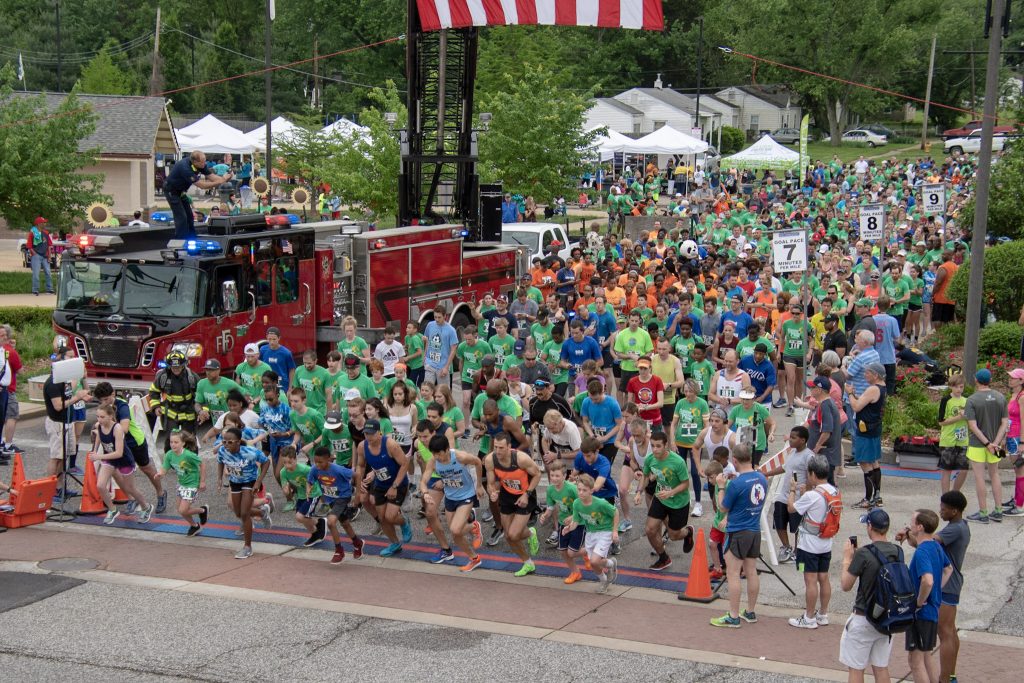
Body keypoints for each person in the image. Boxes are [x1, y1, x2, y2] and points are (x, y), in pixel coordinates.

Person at [897, 491, 970, 683]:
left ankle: (946, 678)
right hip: (949, 586)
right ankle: (949, 675)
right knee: (949, 633)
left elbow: (925, 543)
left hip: (945, 590)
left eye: (944, 509)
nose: (941, 511)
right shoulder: (962, 526)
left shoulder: (952, 530)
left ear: (955, 511)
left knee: (945, 633)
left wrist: (920, 601)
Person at [710, 443, 768, 628]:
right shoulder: (762, 478)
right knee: (751, 571)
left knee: (733, 573)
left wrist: (720, 487)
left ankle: (733, 616)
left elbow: (722, 507)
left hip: (737, 531)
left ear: (734, 460)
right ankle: (750, 611)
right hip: (754, 530)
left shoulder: (735, 484)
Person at [840, 508, 898, 683]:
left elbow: (846, 585)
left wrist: (847, 559)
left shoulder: (865, 553)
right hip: (886, 619)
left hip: (864, 616)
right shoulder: (897, 551)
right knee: (881, 668)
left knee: (856, 669)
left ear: (870, 526)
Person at [787, 455, 839, 629]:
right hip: (826, 542)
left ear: (813, 474)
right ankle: (823, 614)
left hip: (809, 544)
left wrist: (793, 490)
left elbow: (791, 508)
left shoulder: (812, 495)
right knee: (823, 578)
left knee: (809, 580)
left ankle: (808, 618)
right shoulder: (834, 491)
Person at [420, 434, 485, 572]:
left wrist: (479, 485)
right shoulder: (433, 461)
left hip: (466, 495)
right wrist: (425, 493)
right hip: (450, 497)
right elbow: (423, 480)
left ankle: (473, 532)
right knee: (455, 534)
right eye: (434, 454)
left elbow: (478, 462)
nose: (437, 457)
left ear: (447, 449)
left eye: (439, 454)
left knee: (455, 529)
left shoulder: (461, 457)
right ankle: (474, 556)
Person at [902, 508, 953, 683]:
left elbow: (927, 580)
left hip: (921, 613)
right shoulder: (935, 546)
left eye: (912, 522)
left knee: (915, 662)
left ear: (920, 527)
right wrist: (935, 593)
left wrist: (919, 601)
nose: (910, 525)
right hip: (932, 611)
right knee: (926, 656)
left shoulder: (922, 551)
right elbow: (948, 569)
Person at [485, 431, 543, 577]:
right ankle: (527, 563)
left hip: (525, 495)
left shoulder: (521, 459)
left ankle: (530, 533)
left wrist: (526, 494)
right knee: (508, 537)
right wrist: (492, 492)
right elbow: (491, 483)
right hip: (507, 495)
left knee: (513, 534)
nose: (497, 451)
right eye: (496, 447)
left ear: (509, 447)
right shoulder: (490, 460)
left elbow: (537, 474)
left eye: (501, 448)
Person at [354, 419, 412, 556]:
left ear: (379, 433)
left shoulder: (390, 445)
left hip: (398, 483)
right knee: (382, 518)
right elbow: (361, 465)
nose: (368, 437)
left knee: (390, 517)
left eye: (371, 434)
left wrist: (395, 486)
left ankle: (404, 522)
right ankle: (395, 543)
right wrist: (359, 483)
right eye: (366, 434)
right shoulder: (362, 446)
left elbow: (405, 464)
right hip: (380, 483)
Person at [639, 430, 695, 571]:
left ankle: (687, 532)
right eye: (653, 446)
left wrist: (670, 492)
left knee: (674, 535)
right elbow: (645, 476)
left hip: (679, 502)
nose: (655, 449)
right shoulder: (650, 459)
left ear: (666, 446)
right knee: (650, 529)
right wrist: (638, 492)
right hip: (660, 498)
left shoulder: (678, 462)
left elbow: (685, 484)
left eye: (658, 446)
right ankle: (664, 558)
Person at [89, 404, 154, 524]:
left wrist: (98, 456)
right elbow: (99, 436)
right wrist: (95, 448)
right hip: (109, 459)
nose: (99, 419)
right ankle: (112, 509)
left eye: (102, 417)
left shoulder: (117, 429)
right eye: (97, 416)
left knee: (130, 488)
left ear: (110, 416)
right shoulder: (99, 425)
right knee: (100, 485)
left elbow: (118, 453)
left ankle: (146, 507)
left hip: (123, 459)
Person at [216, 427, 271, 559]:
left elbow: (266, 462)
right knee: (238, 512)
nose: (226, 445)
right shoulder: (222, 451)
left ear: (239, 441)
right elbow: (220, 462)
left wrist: (258, 482)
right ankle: (262, 512)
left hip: (249, 482)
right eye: (224, 442)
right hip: (235, 481)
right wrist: (219, 478)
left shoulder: (250, 452)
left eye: (230, 442)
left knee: (245, 513)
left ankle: (247, 547)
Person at [43, 347, 91, 497]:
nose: (72, 360)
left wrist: (82, 392)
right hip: (57, 423)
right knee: (56, 457)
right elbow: (58, 406)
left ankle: (60, 487)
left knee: (64, 457)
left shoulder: (65, 381)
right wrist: (77, 398)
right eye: (69, 357)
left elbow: (75, 393)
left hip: (68, 421)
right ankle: (50, 489)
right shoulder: (52, 383)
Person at [964, 368, 1009, 523]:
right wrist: (995, 442)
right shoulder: (1000, 397)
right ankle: (998, 510)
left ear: (976, 380)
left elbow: (973, 426)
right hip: (995, 445)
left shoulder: (972, 400)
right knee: (995, 474)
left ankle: (983, 513)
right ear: (990, 380)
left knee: (979, 477)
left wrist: (987, 443)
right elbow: (1004, 423)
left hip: (978, 444)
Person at [764, 426, 813, 563]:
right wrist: (765, 473)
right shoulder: (792, 453)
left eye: (793, 438)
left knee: (798, 526)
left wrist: (807, 490)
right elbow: (784, 468)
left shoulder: (809, 456)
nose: (790, 440)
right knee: (778, 520)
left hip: (798, 497)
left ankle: (798, 552)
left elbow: (811, 475)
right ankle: (786, 547)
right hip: (784, 495)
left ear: (802, 440)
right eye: (790, 437)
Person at [563, 473, 619, 592]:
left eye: (584, 490)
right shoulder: (577, 503)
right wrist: (569, 528)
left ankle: (604, 582)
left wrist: (614, 531)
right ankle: (611, 564)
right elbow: (576, 521)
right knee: (595, 562)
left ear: (591, 490)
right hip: (590, 533)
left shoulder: (600, 503)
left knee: (593, 561)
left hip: (605, 532)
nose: (581, 492)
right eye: (579, 489)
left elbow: (615, 513)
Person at [308, 446, 364, 565]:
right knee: (345, 523)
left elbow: (357, 475)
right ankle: (357, 543)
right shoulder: (315, 469)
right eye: (315, 461)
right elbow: (310, 480)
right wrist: (309, 490)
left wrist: (358, 494)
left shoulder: (338, 470)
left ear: (328, 459)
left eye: (320, 462)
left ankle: (339, 551)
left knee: (331, 521)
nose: (317, 464)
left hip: (343, 497)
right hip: (331, 499)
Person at [164, 151, 233, 239]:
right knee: (181, 217)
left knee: (189, 216)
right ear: (195, 162)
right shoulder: (185, 168)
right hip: (171, 191)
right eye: (203, 162)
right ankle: (180, 240)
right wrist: (221, 180)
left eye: (205, 160)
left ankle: (192, 239)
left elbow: (212, 177)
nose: (205, 164)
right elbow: (202, 185)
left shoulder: (200, 165)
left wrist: (226, 178)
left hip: (181, 192)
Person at [847, 362, 887, 509]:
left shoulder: (873, 389)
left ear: (875, 375)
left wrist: (850, 393)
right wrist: (857, 396)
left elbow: (856, 407)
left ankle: (868, 499)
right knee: (874, 462)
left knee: (865, 463)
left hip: (866, 430)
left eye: (867, 373)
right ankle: (877, 496)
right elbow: (868, 403)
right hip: (874, 428)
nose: (865, 375)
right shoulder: (882, 387)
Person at [539, 460, 584, 583]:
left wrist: (573, 516)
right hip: (562, 523)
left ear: (564, 476)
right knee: (563, 551)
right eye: (552, 475)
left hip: (578, 523)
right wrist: (545, 515)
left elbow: (583, 504)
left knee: (571, 552)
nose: (554, 478)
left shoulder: (572, 489)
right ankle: (575, 572)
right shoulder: (550, 490)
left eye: (557, 476)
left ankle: (588, 552)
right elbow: (550, 507)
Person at [161, 430, 207, 536]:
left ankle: (202, 510)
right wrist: (160, 474)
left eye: (176, 442)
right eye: (171, 442)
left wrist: (202, 481)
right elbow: (165, 468)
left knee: (183, 510)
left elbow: (202, 464)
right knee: (180, 510)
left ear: (183, 443)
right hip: (181, 484)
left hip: (191, 484)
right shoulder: (169, 454)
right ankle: (195, 526)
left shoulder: (188, 455)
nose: (173, 444)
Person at [937, 373, 969, 494]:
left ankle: (955, 493)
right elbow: (941, 422)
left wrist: (966, 417)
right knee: (946, 469)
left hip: (963, 439)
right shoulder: (946, 400)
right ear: (951, 386)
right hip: (948, 439)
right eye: (956, 387)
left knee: (964, 469)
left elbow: (970, 419)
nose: (959, 390)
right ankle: (945, 496)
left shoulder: (966, 400)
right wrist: (958, 417)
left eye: (961, 387)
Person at [424, 305, 459, 387]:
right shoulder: (430, 325)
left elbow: (453, 350)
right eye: (435, 317)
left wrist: (446, 367)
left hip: (442, 365)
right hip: (430, 363)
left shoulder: (451, 330)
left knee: (443, 392)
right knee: (427, 389)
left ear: (445, 316)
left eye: (439, 317)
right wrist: (425, 357)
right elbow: (427, 341)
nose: (437, 319)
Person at [259, 327, 296, 392]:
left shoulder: (286, 353)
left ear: (279, 338)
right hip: (267, 385)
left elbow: (292, 370)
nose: (272, 342)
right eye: (269, 339)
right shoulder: (262, 350)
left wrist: (290, 388)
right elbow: (259, 365)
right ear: (266, 337)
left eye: (274, 339)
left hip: (282, 386)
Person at [27, 216, 54, 295]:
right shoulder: (33, 233)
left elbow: (49, 245)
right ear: (39, 224)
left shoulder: (45, 233)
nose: (45, 224)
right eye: (43, 222)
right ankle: (35, 290)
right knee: (36, 273)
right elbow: (29, 245)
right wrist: (34, 253)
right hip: (36, 255)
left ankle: (49, 289)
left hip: (45, 255)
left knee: (48, 272)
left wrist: (49, 256)